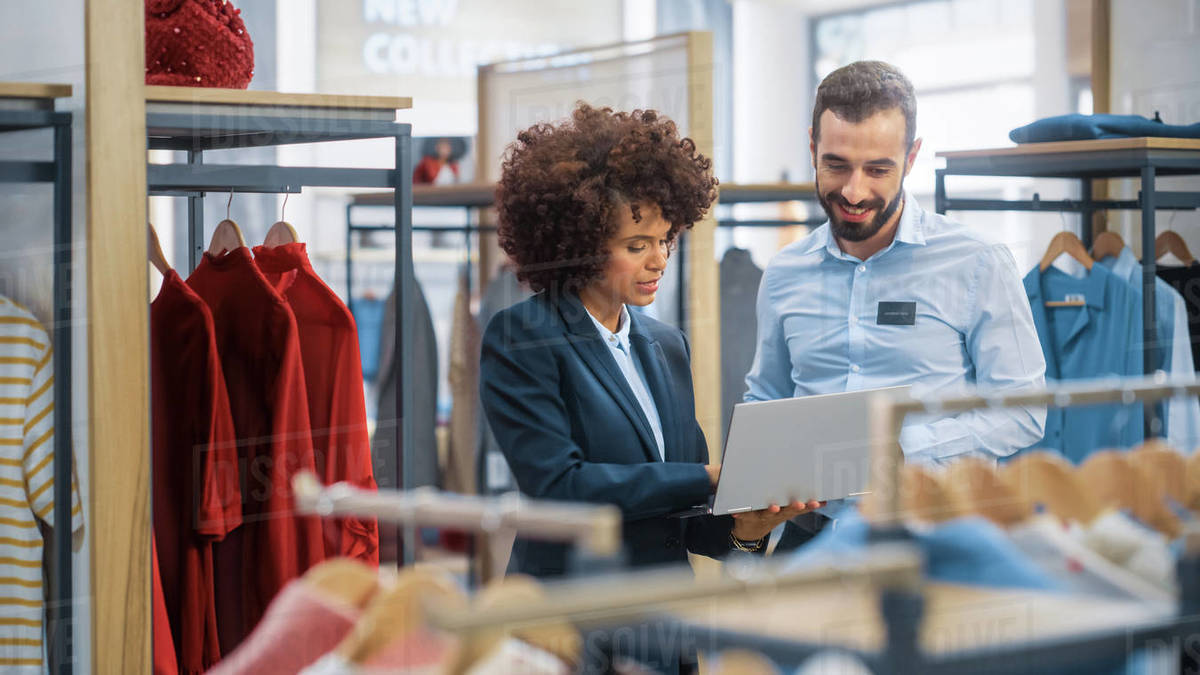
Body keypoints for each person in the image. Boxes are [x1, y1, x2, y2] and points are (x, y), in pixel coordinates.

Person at [480, 103, 821, 581]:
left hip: (663, 625)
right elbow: (560, 486)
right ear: (580, 243)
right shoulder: (526, 337)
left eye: (665, 240)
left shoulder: (666, 346)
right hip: (569, 616)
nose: (659, 260)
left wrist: (749, 525)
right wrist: (706, 479)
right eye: (637, 245)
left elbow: (683, 524)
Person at [745, 61, 1047, 466]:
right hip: (809, 526)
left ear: (911, 157)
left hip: (932, 522)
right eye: (836, 165)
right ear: (813, 147)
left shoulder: (978, 263)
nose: (854, 192)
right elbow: (767, 400)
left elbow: (1023, 410)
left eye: (877, 169)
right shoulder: (783, 273)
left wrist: (901, 450)